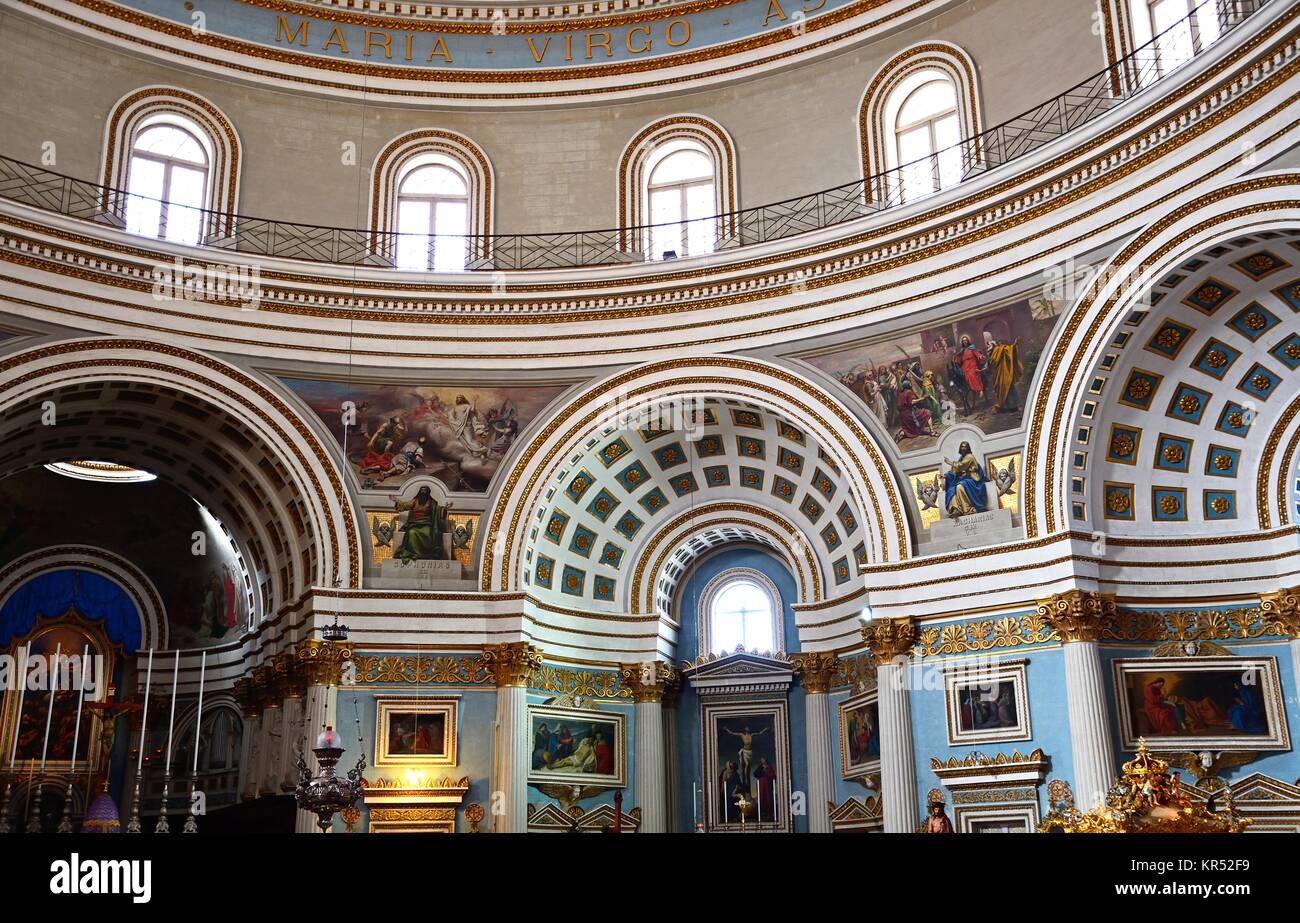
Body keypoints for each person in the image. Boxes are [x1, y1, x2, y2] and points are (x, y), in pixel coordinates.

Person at [392, 485, 447, 561]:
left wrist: (445, 509)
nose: (423, 492)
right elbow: (405, 505)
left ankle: (426, 553)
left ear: (428, 493)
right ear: (419, 492)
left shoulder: (432, 502)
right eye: (422, 491)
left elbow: (438, 510)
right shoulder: (415, 501)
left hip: (426, 524)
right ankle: (413, 553)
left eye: (425, 491)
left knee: (428, 533)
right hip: (414, 524)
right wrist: (396, 501)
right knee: (411, 532)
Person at [942, 442, 989, 517]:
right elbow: (956, 471)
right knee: (952, 489)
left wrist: (950, 462)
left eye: (965, 447)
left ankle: (967, 508)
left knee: (960, 486)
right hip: (966, 478)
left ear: (968, 448)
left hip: (973, 479)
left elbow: (961, 466)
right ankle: (957, 509)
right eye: (962, 447)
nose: (963, 448)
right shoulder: (962, 458)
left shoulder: (969, 456)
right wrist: (946, 476)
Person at [986, 337, 1024, 413]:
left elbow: (1010, 350)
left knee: (1009, 388)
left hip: (1006, 372)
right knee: (1002, 390)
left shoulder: (1004, 348)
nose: (1000, 344)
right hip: (999, 374)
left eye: (1001, 342)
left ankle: (1013, 407)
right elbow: (992, 361)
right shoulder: (997, 350)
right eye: (999, 342)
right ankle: (1007, 407)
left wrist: (1015, 344)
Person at [753, 757, 777, 821]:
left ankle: (769, 813)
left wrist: (766, 773)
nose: (763, 761)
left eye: (763, 759)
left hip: (767, 784)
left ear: (766, 760)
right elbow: (755, 774)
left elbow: (773, 776)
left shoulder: (769, 767)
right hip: (761, 785)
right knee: (762, 798)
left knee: (768, 798)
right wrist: (762, 772)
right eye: (761, 760)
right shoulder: (760, 767)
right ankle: (763, 813)